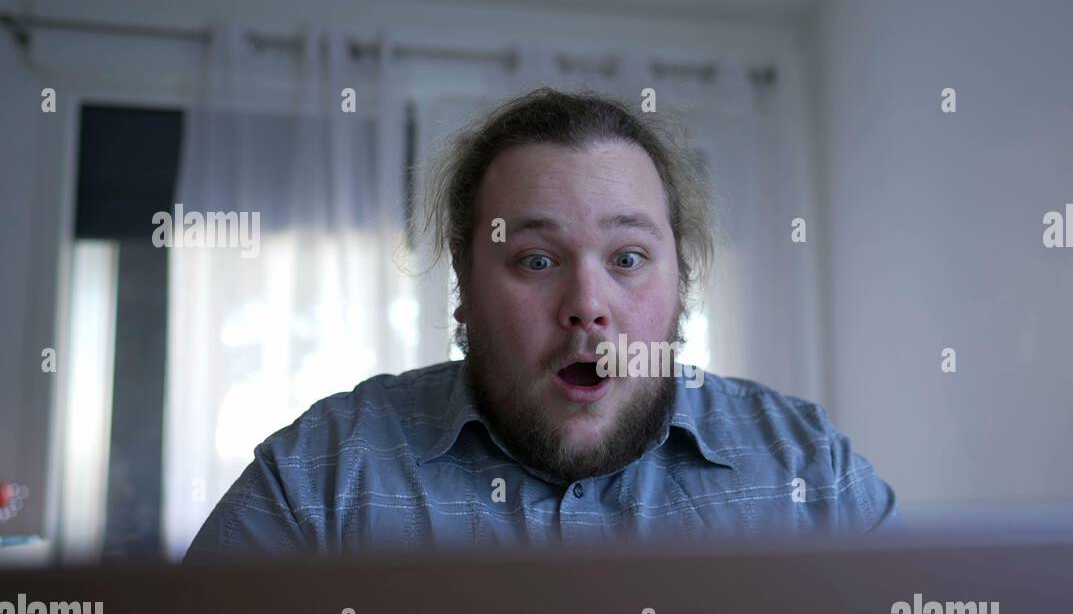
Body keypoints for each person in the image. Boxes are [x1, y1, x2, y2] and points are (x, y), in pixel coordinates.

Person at [185, 88, 898, 559]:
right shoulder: (320, 482)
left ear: (682, 284)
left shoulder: (815, 477)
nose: (587, 304)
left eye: (627, 256)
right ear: (463, 286)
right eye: (534, 259)